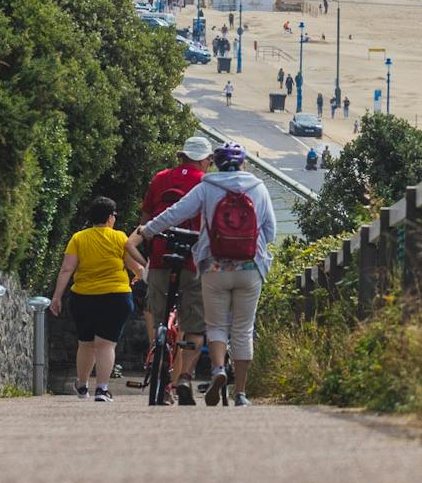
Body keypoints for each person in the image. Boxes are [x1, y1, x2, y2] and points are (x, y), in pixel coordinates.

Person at [135, 141, 276, 408]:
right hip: (250, 268)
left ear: (217, 163)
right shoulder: (258, 187)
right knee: (243, 329)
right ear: (243, 163)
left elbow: (176, 213)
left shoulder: (208, 186)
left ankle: (218, 369)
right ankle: (241, 394)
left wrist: (149, 230)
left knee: (216, 327)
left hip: (214, 268)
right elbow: (271, 231)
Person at [139, 132, 213, 402]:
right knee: (193, 323)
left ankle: (158, 353)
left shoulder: (161, 178)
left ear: (182, 155)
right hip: (193, 259)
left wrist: (149, 243)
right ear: (205, 160)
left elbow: (146, 216)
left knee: (157, 315)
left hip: (160, 255)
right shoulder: (205, 182)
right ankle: (184, 378)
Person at [49, 197, 145, 401]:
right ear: (110, 217)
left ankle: (82, 386)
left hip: (83, 297)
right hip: (116, 297)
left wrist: (56, 297)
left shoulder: (78, 238)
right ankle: (102, 389)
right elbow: (135, 266)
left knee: (85, 343)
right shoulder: (120, 238)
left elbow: (67, 269)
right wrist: (139, 274)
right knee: (106, 345)